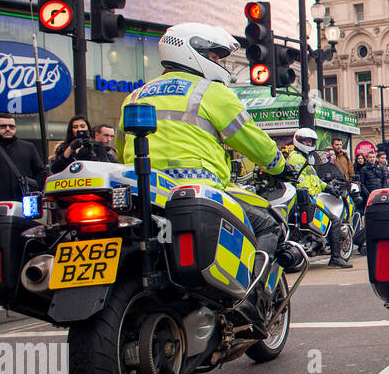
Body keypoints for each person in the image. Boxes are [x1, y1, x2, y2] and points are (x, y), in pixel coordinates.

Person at [117, 22, 290, 332]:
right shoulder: (210, 92)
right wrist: (280, 165)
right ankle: (251, 297)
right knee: (269, 223)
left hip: (146, 194)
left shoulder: (135, 96)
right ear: (194, 52)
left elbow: (121, 148)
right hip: (200, 192)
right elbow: (254, 142)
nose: (220, 64)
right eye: (216, 56)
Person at [286, 127, 353, 269]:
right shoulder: (297, 158)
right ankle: (335, 258)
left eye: (311, 141)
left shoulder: (305, 158)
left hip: (309, 197)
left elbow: (315, 180)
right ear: (299, 141)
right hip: (306, 199)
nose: (309, 144)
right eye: (306, 141)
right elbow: (298, 180)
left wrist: (328, 187)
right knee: (334, 221)